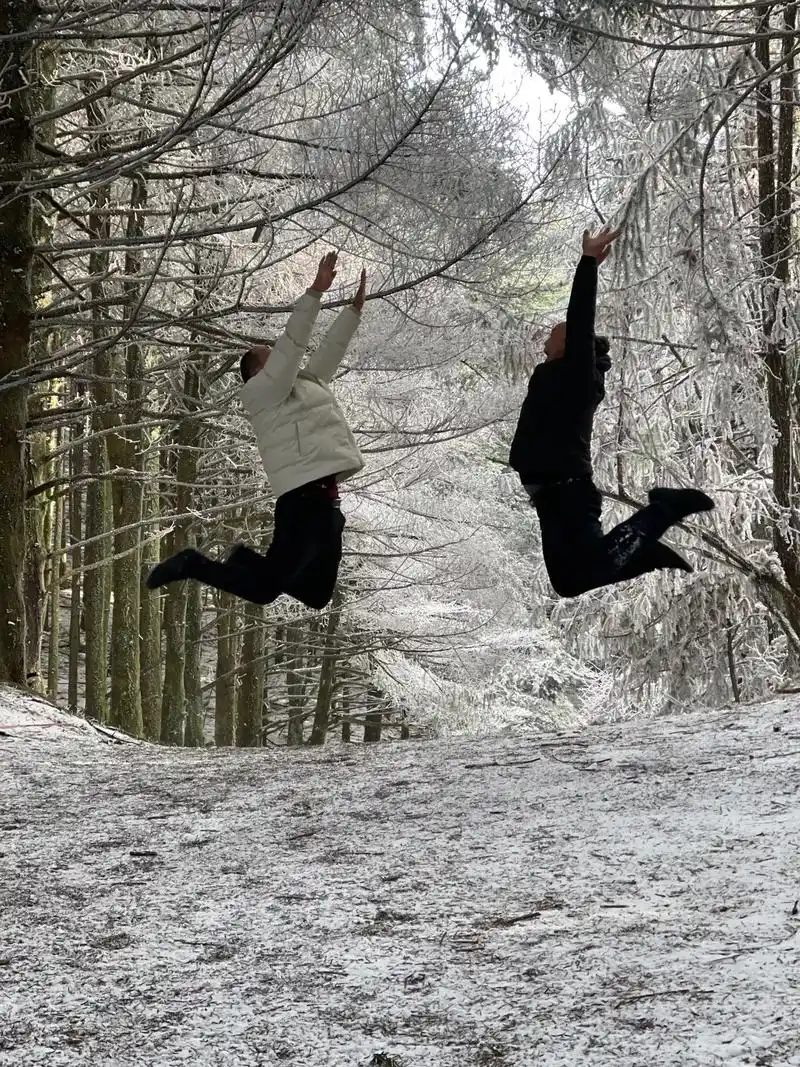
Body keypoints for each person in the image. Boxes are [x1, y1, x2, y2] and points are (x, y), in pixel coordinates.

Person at [146, 251, 365, 609]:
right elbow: (292, 346)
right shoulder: (261, 394)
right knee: (264, 591)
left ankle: (245, 561)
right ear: (257, 373)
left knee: (317, 595)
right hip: (302, 505)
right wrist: (314, 292)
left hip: (327, 505)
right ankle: (192, 563)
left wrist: (353, 312)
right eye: (270, 357)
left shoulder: (305, 383)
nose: (279, 357)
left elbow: (329, 352)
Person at [508, 226, 714, 599]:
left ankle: (660, 517)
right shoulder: (564, 373)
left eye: (550, 337)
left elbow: (581, 314)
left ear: (572, 343)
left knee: (571, 580)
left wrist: (587, 263)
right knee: (571, 580)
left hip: (564, 491)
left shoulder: (577, 372)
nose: (543, 346)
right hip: (556, 492)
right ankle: (650, 535)